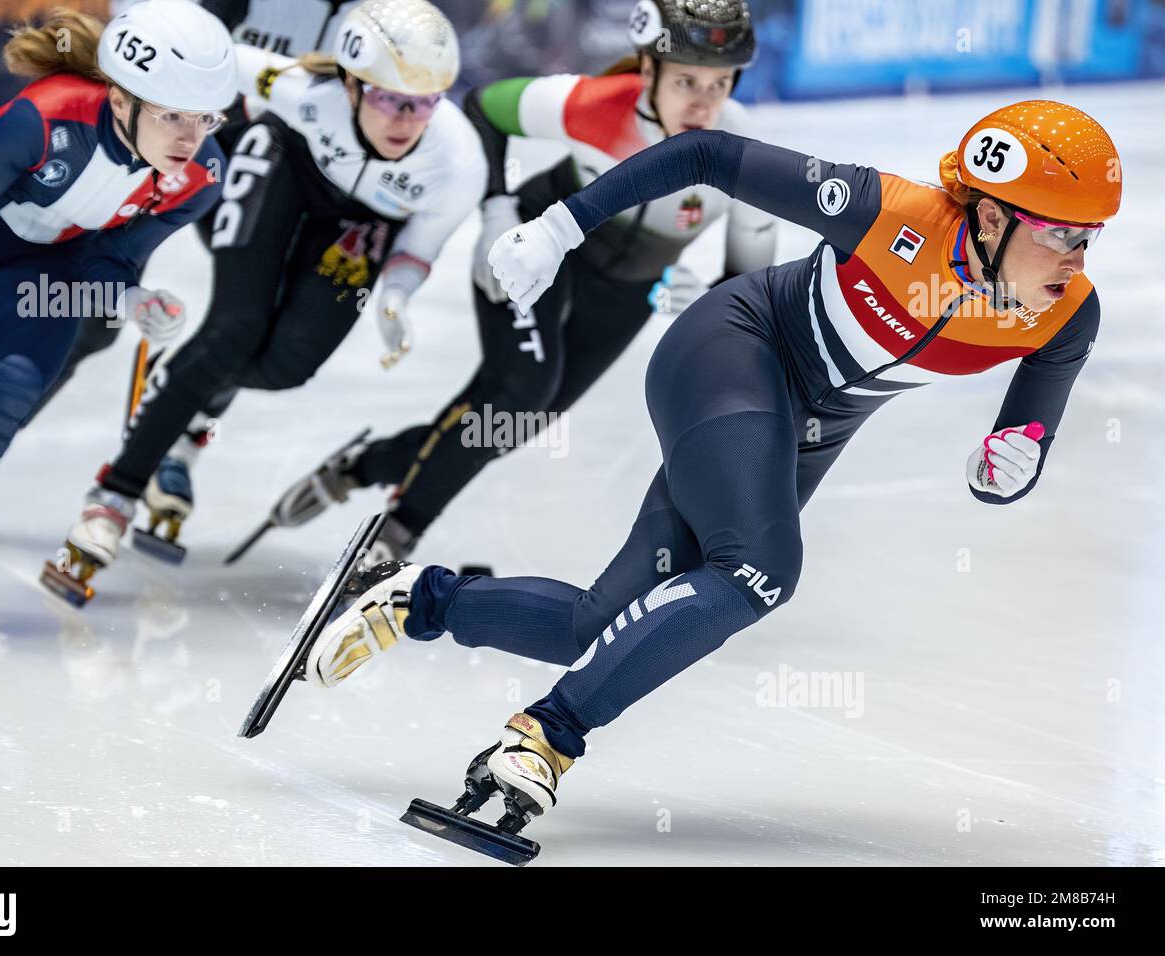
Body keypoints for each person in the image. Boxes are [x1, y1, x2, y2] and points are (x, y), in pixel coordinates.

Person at [285, 99, 1120, 825]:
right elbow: (710, 155)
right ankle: (547, 735)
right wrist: (562, 227)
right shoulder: (891, 213)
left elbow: (1017, 451)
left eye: (1090, 238)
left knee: (602, 621)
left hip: (806, 426)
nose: (1077, 259)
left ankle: (419, 600)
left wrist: (1005, 471)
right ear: (989, 215)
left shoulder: (1064, 317)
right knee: (760, 569)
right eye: (1061, 235)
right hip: (736, 351)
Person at [259, 0, 777, 561]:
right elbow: (485, 109)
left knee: (508, 427)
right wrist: (499, 213)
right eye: (685, 81)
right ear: (647, 69)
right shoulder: (594, 105)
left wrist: (703, 301)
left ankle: (364, 467)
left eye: (720, 84)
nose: (703, 104)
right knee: (522, 387)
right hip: (544, 256)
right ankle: (396, 533)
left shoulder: (742, 156)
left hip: (626, 297)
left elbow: (745, 282)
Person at [47, 0, 487, 600]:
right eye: (388, 97)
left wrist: (397, 301)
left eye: (424, 101)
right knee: (233, 328)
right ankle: (113, 499)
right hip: (283, 160)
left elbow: (418, 249)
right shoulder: (303, 90)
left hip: (360, 220)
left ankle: (185, 389)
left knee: (285, 368)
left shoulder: (458, 161)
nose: (407, 120)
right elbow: (210, 65)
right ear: (352, 84)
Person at [0, 1, 235, 593]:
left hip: (41, 258)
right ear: (121, 100)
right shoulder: (47, 117)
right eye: (173, 118)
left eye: (207, 119)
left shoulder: (198, 176)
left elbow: (107, 262)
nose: (192, 140)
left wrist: (134, 299)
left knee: (10, 393)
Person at [20, 0, 363, 423]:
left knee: (256, 318)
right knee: (93, 319)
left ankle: (178, 443)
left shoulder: (370, 15)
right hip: (172, 141)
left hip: (265, 161)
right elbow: (159, 50)